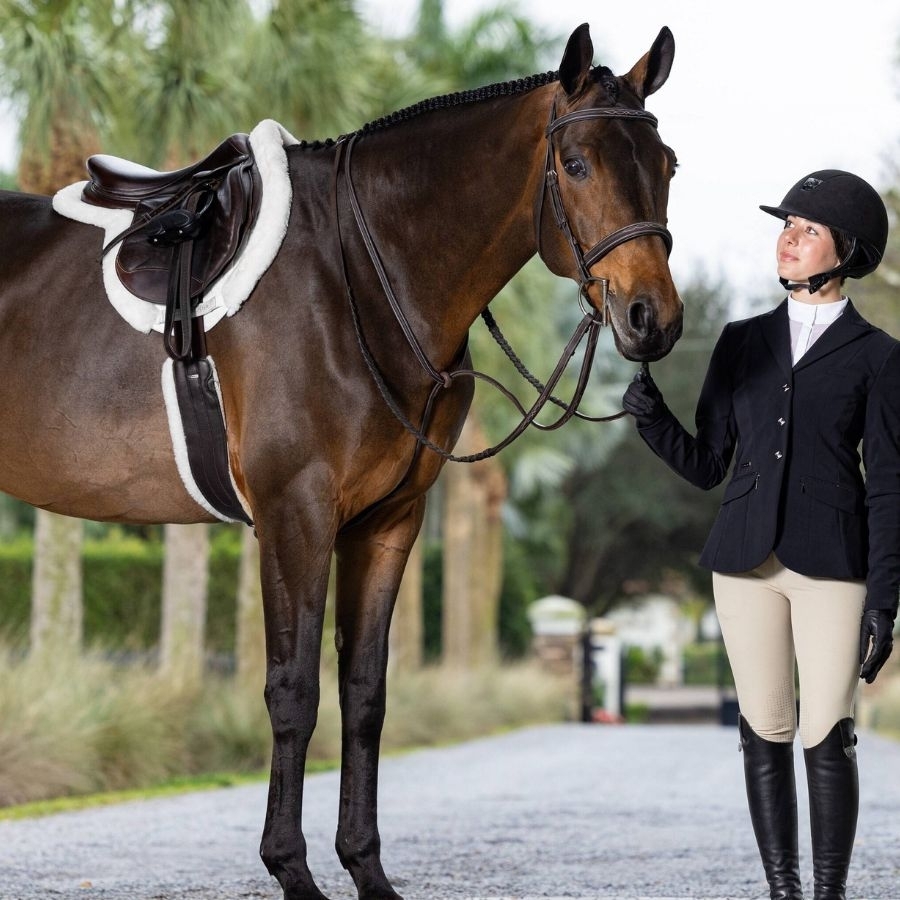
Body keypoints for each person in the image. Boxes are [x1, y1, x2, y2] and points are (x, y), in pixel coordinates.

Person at [622, 169, 898, 900]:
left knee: (827, 732)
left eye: (808, 229)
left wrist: (885, 602)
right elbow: (711, 463)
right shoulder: (741, 342)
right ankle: (783, 888)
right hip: (742, 564)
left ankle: (829, 893)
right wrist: (650, 418)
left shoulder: (879, 357)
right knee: (764, 729)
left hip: (834, 569)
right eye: (787, 225)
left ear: (847, 250)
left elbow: (891, 487)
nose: (789, 237)